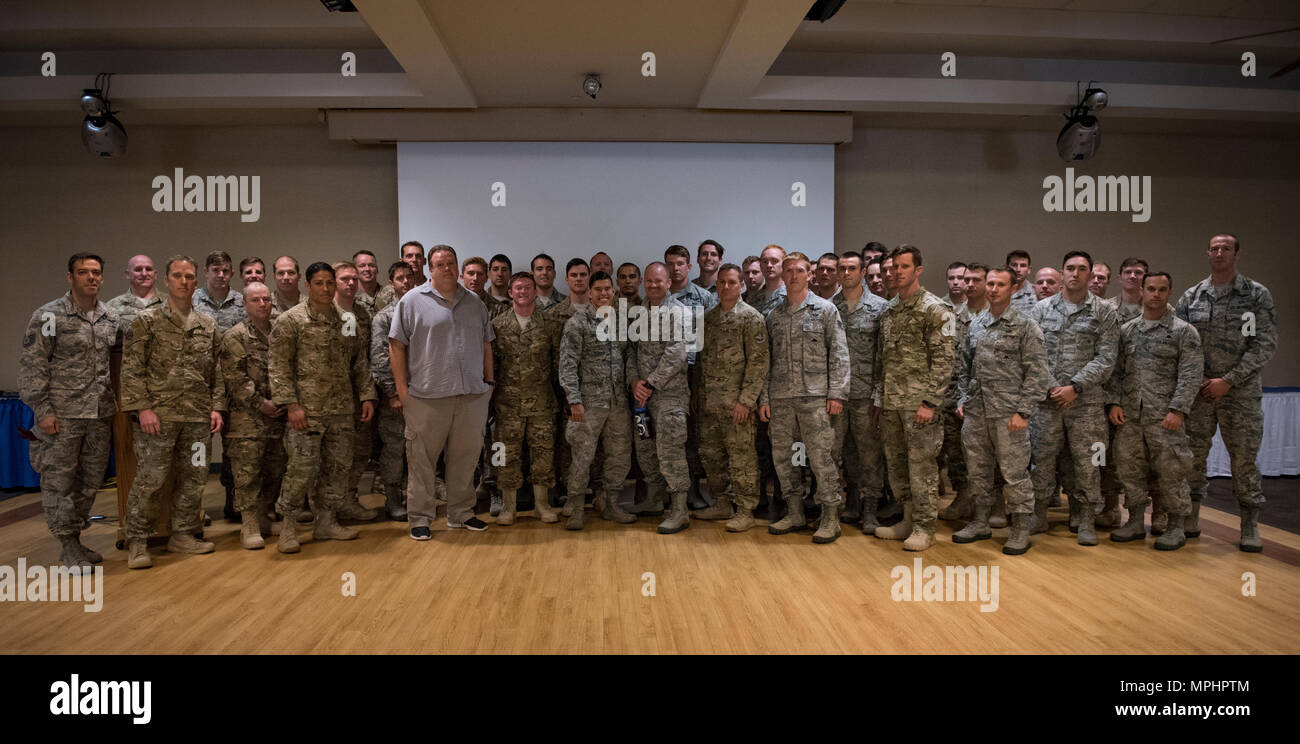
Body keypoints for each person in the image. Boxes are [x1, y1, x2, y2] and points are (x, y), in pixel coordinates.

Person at [121, 255, 225, 569]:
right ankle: (137, 540)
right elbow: (131, 368)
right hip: (159, 419)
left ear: (196, 281)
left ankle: (182, 534)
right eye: (177, 276)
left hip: (196, 419)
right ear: (166, 281)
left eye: (190, 276)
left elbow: (217, 369)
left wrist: (217, 407)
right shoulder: (147, 321)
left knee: (194, 479)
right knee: (151, 480)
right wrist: (142, 408)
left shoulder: (207, 323)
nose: (184, 281)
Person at [1177, 233, 1277, 552]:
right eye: (1215, 248)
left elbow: (1264, 344)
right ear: (1208, 253)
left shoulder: (1256, 295)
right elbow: (1180, 343)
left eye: (1226, 248)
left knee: (1244, 460)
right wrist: (1202, 379)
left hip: (1240, 395)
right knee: (1192, 458)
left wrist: (1229, 380)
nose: (1220, 253)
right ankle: (1190, 517)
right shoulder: (1192, 297)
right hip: (1199, 392)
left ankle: (1249, 524)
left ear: (1237, 254)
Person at [270, 262, 377, 553]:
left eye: (330, 283)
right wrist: (291, 405)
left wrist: (367, 396)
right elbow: (278, 367)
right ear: (308, 286)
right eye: (319, 283)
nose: (326, 289)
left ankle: (326, 522)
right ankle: (289, 527)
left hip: (341, 409)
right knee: (301, 470)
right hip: (307, 411)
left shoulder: (347, 319)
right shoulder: (290, 321)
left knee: (337, 468)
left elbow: (359, 363)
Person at [20, 252, 117, 569]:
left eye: (96, 272)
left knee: (90, 481)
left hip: (99, 414)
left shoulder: (109, 318)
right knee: (59, 483)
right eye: (83, 272)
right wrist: (43, 410)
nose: (91, 277)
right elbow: (33, 367)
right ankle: (66, 544)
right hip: (61, 416)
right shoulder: (49, 316)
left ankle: (76, 538)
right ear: (70, 277)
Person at [389, 245, 494, 540]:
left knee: (466, 458)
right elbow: (396, 345)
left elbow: (487, 344)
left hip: (471, 395)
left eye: (451, 263)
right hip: (426, 397)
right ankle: (421, 517)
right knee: (422, 462)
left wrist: (490, 383)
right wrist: (402, 391)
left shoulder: (475, 303)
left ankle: (460, 513)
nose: (446, 268)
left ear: (457, 267)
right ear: (429, 269)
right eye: (440, 264)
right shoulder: (411, 302)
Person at [952, 267, 1049, 554]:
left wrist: (1024, 411)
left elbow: (1037, 373)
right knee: (978, 469)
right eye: (990, 284)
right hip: (977, 411)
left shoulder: (1025, 326)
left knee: (1015, 473)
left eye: (1000, 285)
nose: (993, 289)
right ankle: (980, 521)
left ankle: (1020, 528)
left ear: (1012, 289)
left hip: (1009, 414)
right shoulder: (977, 323)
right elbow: (965, 367)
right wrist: (962, 399)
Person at [1027, 250, 1119, 546]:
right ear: (1062, 273)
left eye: (1082, 269)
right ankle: (1038, 514)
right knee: (1041, 459)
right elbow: (1032, 354)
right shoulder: (1041, 310)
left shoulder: (1104, 311)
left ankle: (1086, 518)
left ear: (1091, 274)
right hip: (1047, 401)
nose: (1075, 274)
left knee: (1089, 461)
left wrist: (1075, 386)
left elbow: (1107, 357)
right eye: (1070, 268)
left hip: (1086, 404)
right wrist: (1055, 387)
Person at [1107, 272, 1203, 550]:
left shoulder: (1183, 331)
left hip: (1165, 417)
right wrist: (1114, 402)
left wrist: (1178, 409)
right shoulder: (1128, 331)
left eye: (1162, 289)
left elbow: (1191, 374)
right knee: (1129, 468)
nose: (1156, 294)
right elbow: (1117, 371)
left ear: (1169, 293)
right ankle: (1135, 521)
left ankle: (1175, 526)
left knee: (1172, 470)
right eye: (1151, 289)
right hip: (1131, 416)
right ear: (1142, 291)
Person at [759, 251, 850, 544]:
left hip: (816, 399)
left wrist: (837, 392)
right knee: (785, 460)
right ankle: (795, 511)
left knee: (822, 459)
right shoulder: (773, 316)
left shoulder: (825, 310)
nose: (794, 276)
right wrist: (764, 398)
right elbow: (766, 361)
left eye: (800, 270)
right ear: (783, 276)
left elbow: (839, 353)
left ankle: (830, 517)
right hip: (782, 399)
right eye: (790, 271)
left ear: (809, 274)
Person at [872, 245, 954, 551]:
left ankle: (925, 527)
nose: (896, 272)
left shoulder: (937, 309)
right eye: (893, 267)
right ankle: (907, 519)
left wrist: (930, 402)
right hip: (893, 403)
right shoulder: (890, 310)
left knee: (922, 468)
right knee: (898, 467)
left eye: (903, 267)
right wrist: (880, 400)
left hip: (920, 406)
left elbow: (945, 360)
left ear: (918, 270)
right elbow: (884, 361)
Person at [694, 263, 769, 531]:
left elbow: (759, 363)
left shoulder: (752, 318)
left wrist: (746, 401)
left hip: (737, 404)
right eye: (722, 282)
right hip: (710, 403)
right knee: (711, 455)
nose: (726, 287)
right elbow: (701, 361)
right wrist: (698, 395)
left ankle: (746, 509)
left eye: (732, 282)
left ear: (741, 286)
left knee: (742, 458)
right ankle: (722, 502)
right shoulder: (708, 319)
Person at [557, 272, 632, 531]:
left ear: (614, 291)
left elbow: (628, 358)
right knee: (582, 456)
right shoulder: (577, 323)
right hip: (588, 403)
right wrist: (574, 401)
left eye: (607, 289)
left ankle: (610, 504)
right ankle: (576, 508)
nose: (603, 294)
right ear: (589, 293)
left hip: (618, 401)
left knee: (618, 455)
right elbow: (567, 366)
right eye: (598, 289)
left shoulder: (621, 321)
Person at [218, 282, 287, 549]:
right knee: (247, 475)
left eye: (266, 299)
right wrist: (260, 403)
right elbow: (234, 378)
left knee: (274, 469)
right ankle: (248, 524)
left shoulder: (280, 332)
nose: (263, 304)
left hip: (277, 416)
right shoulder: (235, 336)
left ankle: (265, 515)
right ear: (245, 304)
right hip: (246, 420)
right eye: (256, 300)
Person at [625, 262, 693, 532]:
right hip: (642, 399)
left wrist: (650, 383)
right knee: (646, 450)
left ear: (668, 283)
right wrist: (634, 382)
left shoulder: (681, 312)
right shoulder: (638, 312)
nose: (653, 286)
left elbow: (677, 352)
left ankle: (680, 509)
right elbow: (630, 350)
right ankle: (654, 500)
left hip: (670, 397)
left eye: (659, 281)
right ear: (644, 282)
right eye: (649, 281)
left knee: (670, 452)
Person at [491, 272, 562, 525]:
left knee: (543, 454)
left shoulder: (550, 323)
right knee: (504, 455)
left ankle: (541, 505)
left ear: (535, 292)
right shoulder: (498, 325)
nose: (523, 292)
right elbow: (493, 367)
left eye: (528, 288)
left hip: (542, 402)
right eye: (518, 288)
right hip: (507, 406)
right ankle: (508, 506)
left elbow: (557, 366)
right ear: (510, 292)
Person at [830, 251, 888, 533]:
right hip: (838, 395)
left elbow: (885, 356)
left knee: (870, 454)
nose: (846, 273)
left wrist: (879, 395)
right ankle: (850, 502)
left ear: (863, 272)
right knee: (840, 452)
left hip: (866, 394)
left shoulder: (880, 308)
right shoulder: (829, 307)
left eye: (852, 268)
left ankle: (870, 509)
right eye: (842, 268)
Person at [193, 250, 246, 522]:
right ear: (206, 272)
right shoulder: (192, 302)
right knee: (197, 451)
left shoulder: (241, 302)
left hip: (235, 386)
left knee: (235, 449)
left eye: (226, 270)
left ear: (232, 272)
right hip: (201, 386)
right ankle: (194, 509)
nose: (221, 275)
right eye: (216, 270)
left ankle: (234, 503)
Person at [331, 260, 379, 522]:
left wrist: (368, 394)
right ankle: (327, 508)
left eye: (353, 279)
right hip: (328, 399)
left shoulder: (362, 314)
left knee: (360, 451)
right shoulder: (325, 313)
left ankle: (348, 499)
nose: (350, 283)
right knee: (333, 456)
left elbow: (364, 358)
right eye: (344, 279)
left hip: (358, 396)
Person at [370, 261, 419, 520]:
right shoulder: (384, 317)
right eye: (400, 278)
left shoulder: (424, 310)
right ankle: (392, 498)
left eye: (409, 277)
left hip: (423, 394)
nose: (406, 282)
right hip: (396, 398)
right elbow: (379, 358)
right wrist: (392, 393)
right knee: (394, 449)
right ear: (392, 283)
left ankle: (416, 498)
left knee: (420, 450)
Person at [105, 254, 161, 334]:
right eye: (138, 269)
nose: (144, 273)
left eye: (148, 269)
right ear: (128, 274)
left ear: (155, 274)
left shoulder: (170, 303)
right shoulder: (112, 306)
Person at [375, 241, 427, 310]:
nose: (414, 260)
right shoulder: (387, 293)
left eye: (418, 256)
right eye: (409, 256)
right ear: (401, 261)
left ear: (424, 261)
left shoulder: (433, 288)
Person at [749, 244, 787, 316]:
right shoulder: (752, 300)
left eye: (774, 261)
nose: (769, 265)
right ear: (760, 266)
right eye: (765, 261)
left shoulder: (792, 296)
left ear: (784, 264)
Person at [353, 250, 382, 314]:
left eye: (371, 265)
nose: (367, 269)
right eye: (362, 266)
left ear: (377, 269)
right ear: (354, 270)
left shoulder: (389, 294)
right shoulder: (349, 297)